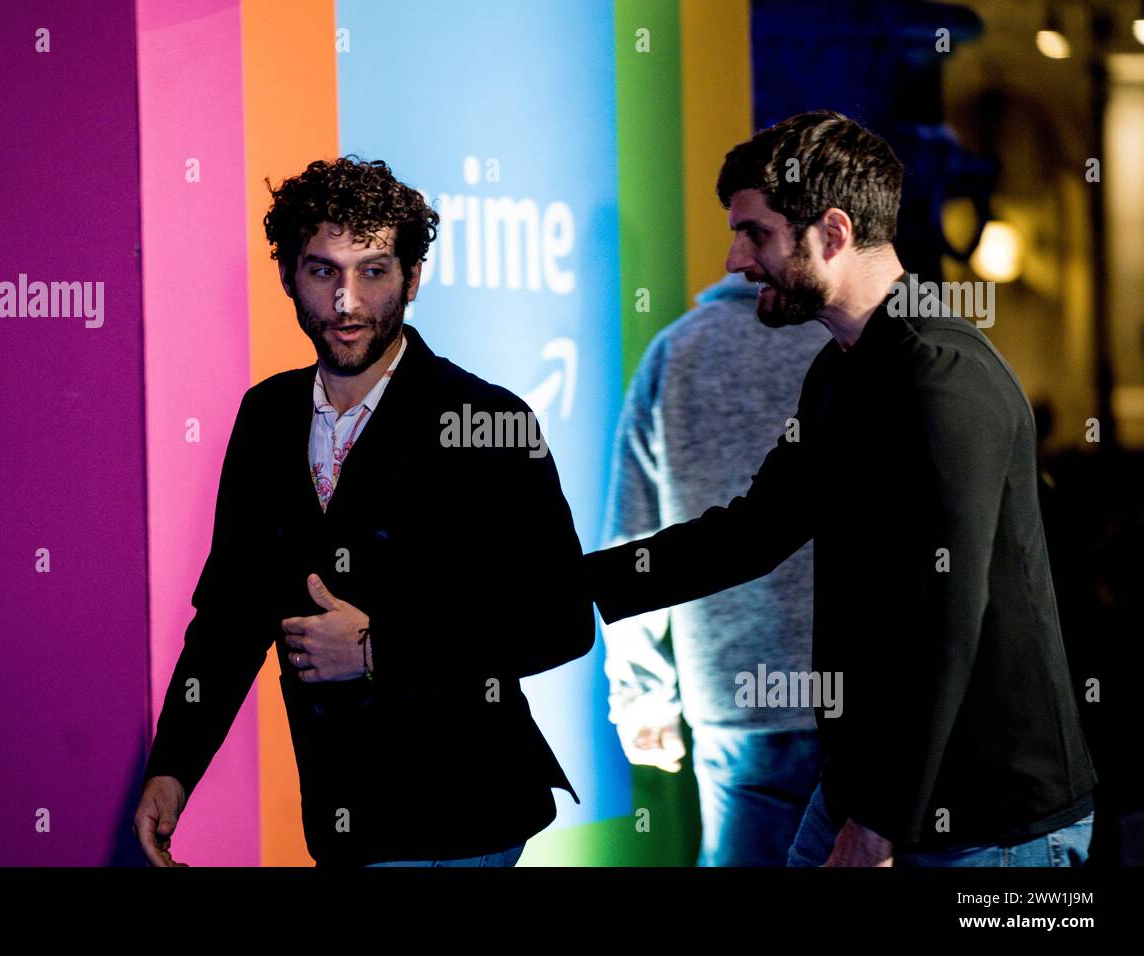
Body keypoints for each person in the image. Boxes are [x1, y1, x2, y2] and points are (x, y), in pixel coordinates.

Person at [583, 111, 1097, 867]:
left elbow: (944, 619)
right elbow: (752, 532)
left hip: (987, 818)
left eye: (755, 234)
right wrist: (558, 586)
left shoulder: (939, 378)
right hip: (873, 782)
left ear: (831, 231)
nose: (735, 260)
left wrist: (883, 823)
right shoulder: (843, 368)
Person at [132, 156, 594, 867]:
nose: (346, 300)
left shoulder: (488, 418)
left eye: (374, 271)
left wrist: (381, 650)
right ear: (289, 276)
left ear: (413, 278)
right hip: (344, 816)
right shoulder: (266, 414)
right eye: (323, 271)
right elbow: (230, 616)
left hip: (464, 810)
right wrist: (174, 767)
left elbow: (560, 620)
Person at [600, 271, 827, 865]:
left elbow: (634, 533)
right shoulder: (848, 345)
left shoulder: (677, 351)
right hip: (866, 694)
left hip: (731, 691)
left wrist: (644, 693)